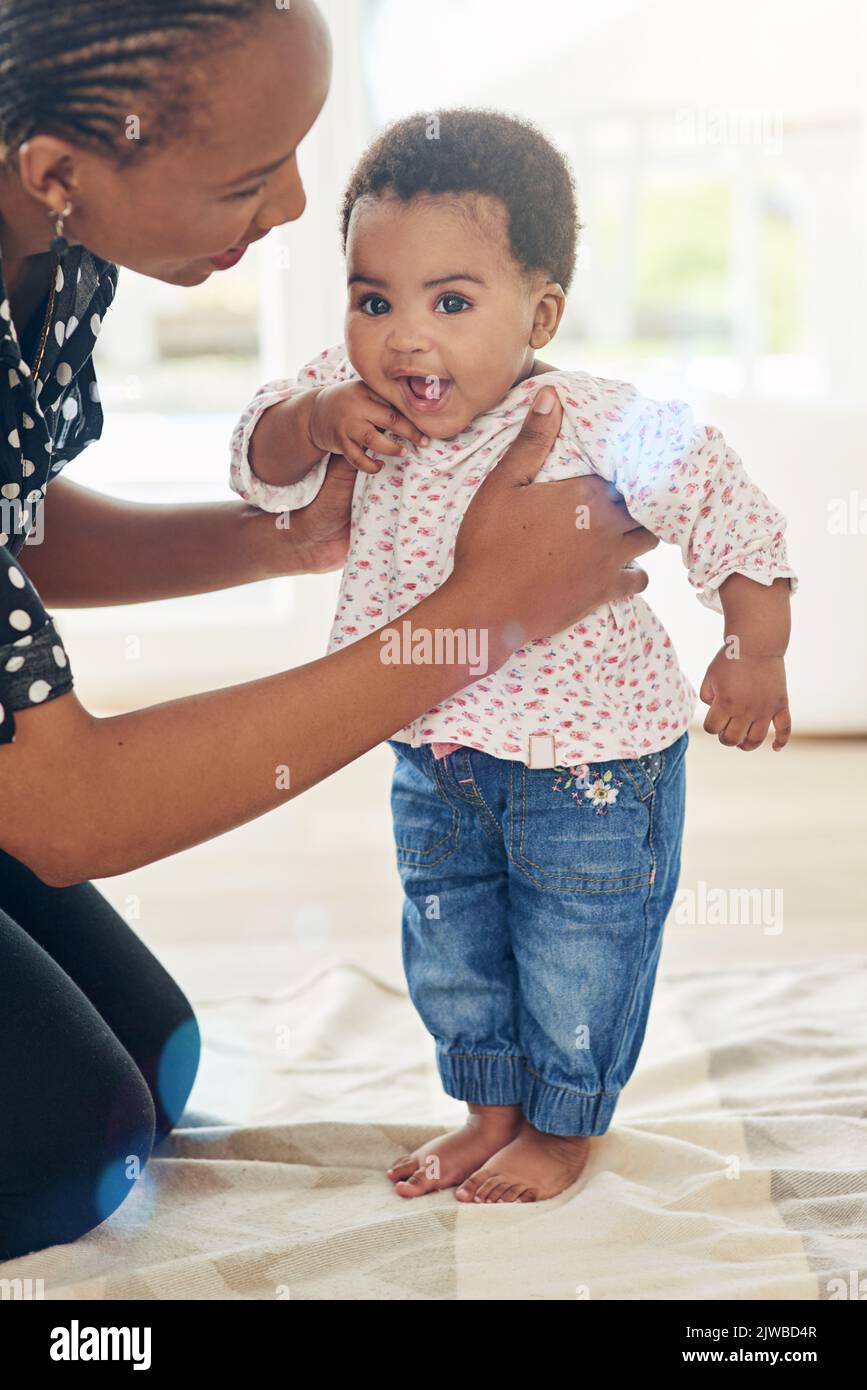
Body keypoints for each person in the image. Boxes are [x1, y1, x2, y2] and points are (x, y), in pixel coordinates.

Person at [0, 3, 658, 1260]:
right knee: (72, 1159)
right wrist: (474, 622)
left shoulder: (52, 249)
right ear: (57, 173)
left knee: (157, 1058)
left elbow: (9, 518)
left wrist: (281, 540)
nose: (299, 204)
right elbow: (63, 805)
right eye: (250, 177)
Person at [229, 109, 796, 1203]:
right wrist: (311, 418)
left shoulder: (588, 415)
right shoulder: (354, 407)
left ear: (539, 311)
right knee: (453, 943)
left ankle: (563, 1120)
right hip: (435, 753)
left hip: (592, 767)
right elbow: (257, 460)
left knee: (580, 947)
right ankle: (488, 1104)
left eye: (451, 301)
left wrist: (752, 644)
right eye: (372, 300)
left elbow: (727, 499)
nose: (405, 338)